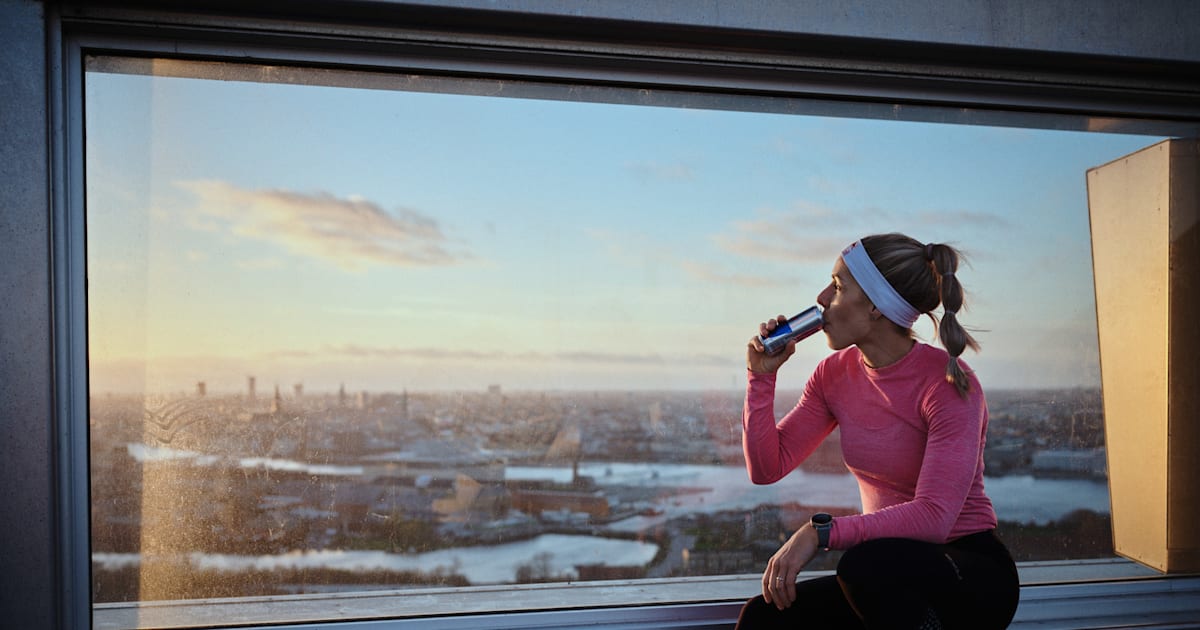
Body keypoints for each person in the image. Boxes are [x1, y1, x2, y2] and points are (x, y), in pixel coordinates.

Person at [735, 233, 1019, 630]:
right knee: (763, 619)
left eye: (837, 287)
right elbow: (766, 468)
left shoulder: (948, 384)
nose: (820, 298)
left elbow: (935, 517)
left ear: (874, 306)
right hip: (886, 574)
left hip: (967, 572)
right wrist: (760, 378)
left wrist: (820, 533)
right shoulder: (833, 375)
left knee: (864, 565)